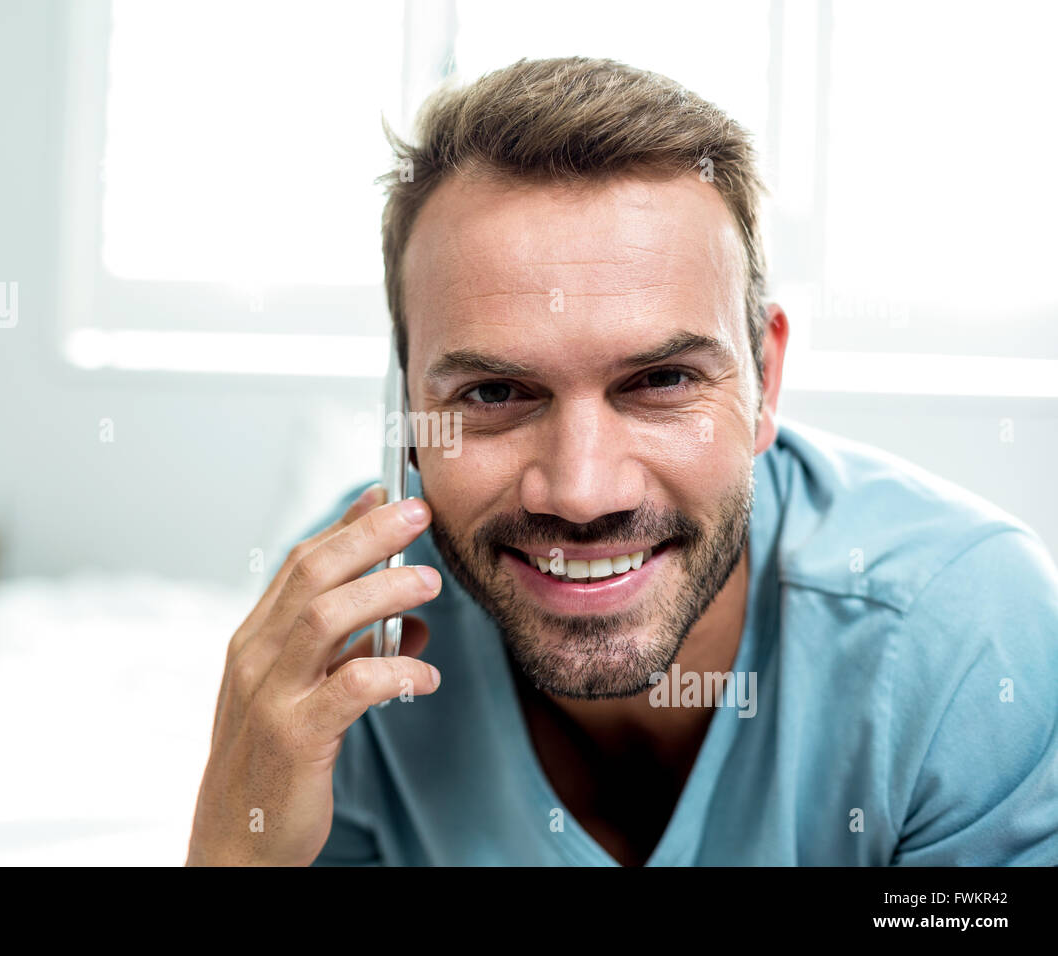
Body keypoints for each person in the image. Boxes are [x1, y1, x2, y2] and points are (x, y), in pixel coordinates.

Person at [186, 57, 1058, 866]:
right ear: (406, 412)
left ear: (765, 381)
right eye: (493, 393)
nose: (582, 490)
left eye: (663, 380)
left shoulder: (971, 635)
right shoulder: (348, 640)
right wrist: (234, 849)